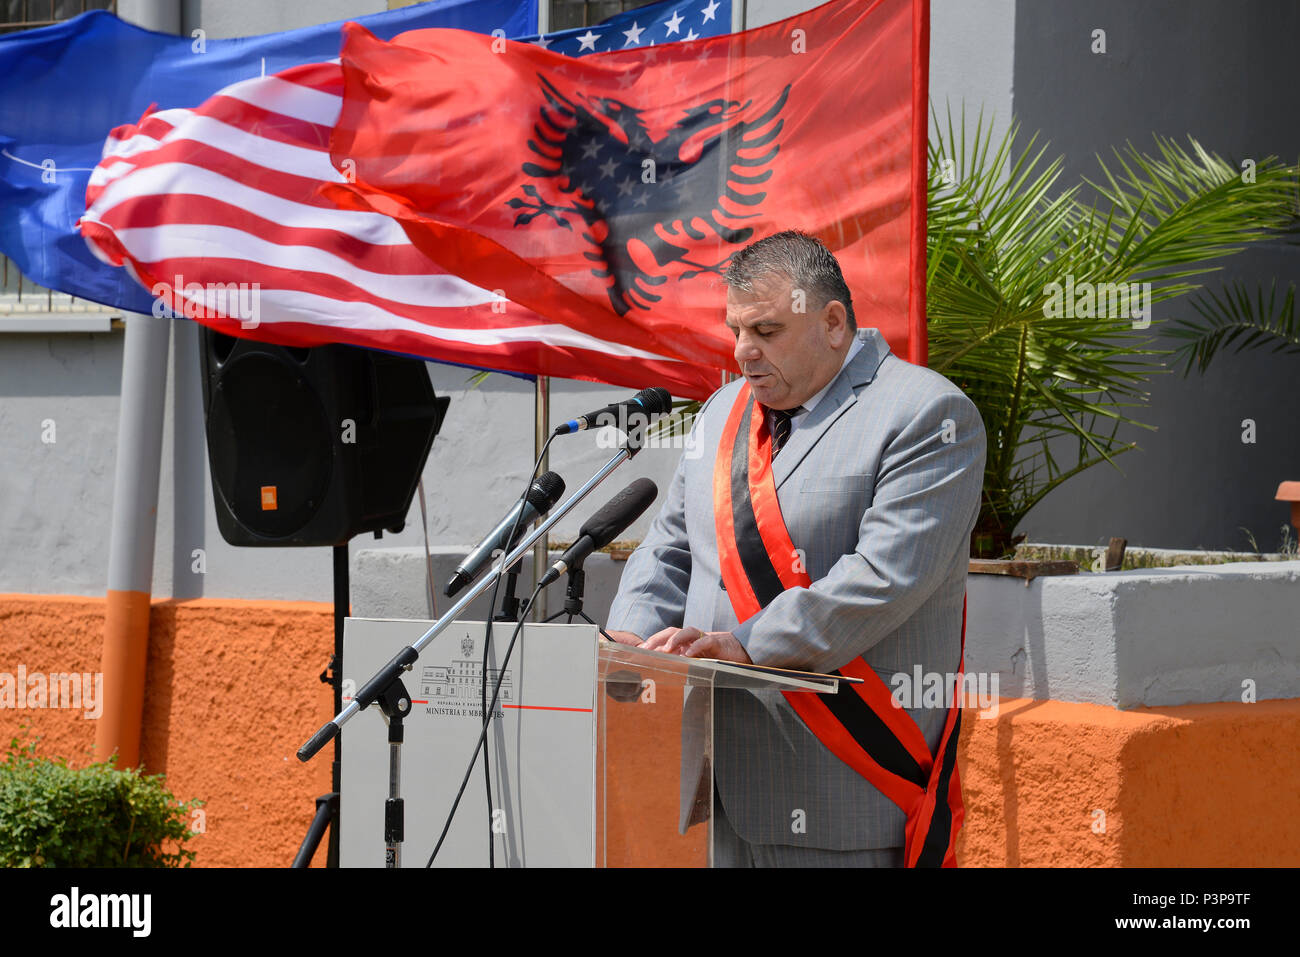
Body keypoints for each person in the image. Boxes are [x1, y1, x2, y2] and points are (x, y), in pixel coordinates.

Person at [605, 230, 986, 867]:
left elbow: (883, 580)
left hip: (842, 782)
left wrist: (747, 644)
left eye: (767, 331)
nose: (743, 352)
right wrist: (628, 642)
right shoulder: (722, 411)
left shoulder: (926, 414)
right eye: (735, 330)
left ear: (832, 322)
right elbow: (671, 547)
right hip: (718, 784)